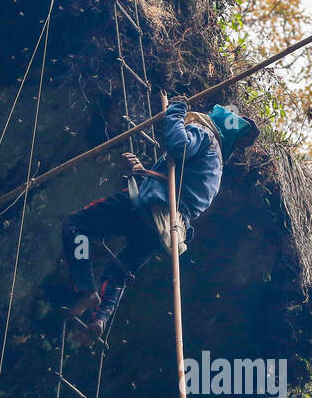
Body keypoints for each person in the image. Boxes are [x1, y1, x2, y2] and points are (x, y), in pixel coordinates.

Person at [60, 97, 259, 342]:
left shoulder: (204, 134)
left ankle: (86, 289)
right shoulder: (216, 168)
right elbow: (178, 190)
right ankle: (99, 318)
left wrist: (176, 110)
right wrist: (141, 170)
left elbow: (179, 145)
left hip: (149, 208)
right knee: (119, 271)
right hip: (167, 229)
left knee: (76, 225)